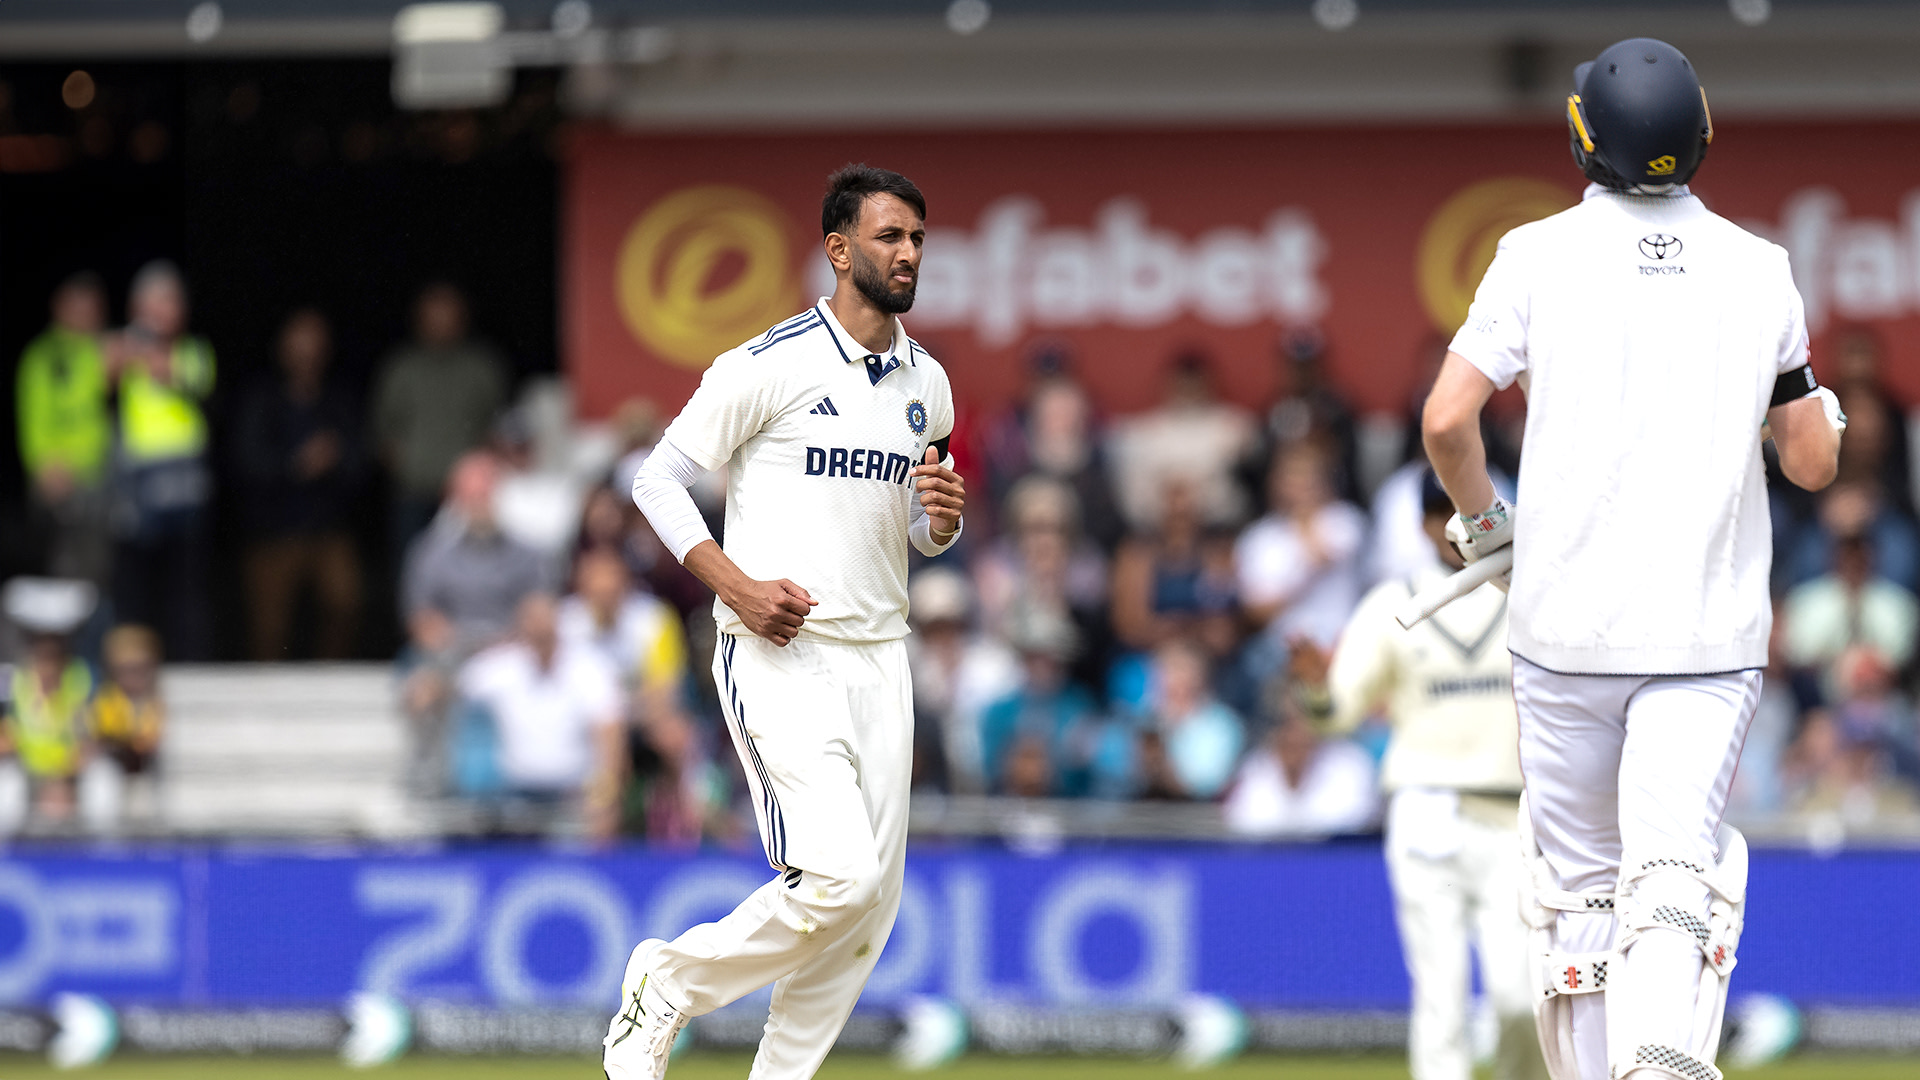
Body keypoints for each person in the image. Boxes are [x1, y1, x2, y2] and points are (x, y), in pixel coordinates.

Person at [1421, 39, 1843, 1080]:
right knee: (1673, 874)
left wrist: (1485, 524)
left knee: (1577, 895)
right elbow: (1812, 463)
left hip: (1562, 632)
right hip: (1706, 634)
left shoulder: (1533, 253)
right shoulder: (1760, 268)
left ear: (1582, 139)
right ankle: (1661, 1063)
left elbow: (1446, 424)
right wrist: (1818, 411)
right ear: (1701, 135)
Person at [614, 164, 966, 1080]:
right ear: (839, 249)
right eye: (891, 237)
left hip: (881, 657)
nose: (909, 254)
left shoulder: (928, 384)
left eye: (919, 239)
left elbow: (914, 538)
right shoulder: (765, 363)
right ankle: (668, 983)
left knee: (870, 907)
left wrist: (943, 519)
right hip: (781, 648)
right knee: (838, 878)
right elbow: (655, 481)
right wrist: (734, 585)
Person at [1291, 472, 1543, 1080]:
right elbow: (1340, 711)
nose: (1459, 525)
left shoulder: (1533, 591)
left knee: (1521, 996)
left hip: (1513, 814)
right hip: (1424, 806)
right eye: (1445, 512)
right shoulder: (1389, 603)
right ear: (1426, 524)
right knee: (1440, 995)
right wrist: (1318, 687)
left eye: (1474, 510)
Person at [232, 308, 365, 659]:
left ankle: (331, 677)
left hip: (328, 528)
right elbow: (247, 462)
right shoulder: (261, 399)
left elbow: (361, 460)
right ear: (283, 349)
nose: (307, 354)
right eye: (299, 345)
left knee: (345, 601)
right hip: (273, 531)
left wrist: (334, 459)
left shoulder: (339, 399)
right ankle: (268, 691)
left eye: (315, 345)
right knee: (269, 627)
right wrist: (297, 465)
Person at [107, 261, 217, 660]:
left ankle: (190, 664)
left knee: (185, 585)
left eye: (169, 302)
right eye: (153, 302)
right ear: (136, 306)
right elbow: (104, 375)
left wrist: (149, 352)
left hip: (185, 484)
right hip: (139, 485)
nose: (162, 311)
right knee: (134, 584)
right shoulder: (123, 345)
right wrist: (123, 350)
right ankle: (131, 669)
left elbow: (186, 378)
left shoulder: (195, 351)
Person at [456, 592, 626, 837]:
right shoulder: (502, 666)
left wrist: (605, 797)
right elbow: (455, 687)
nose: (539, 630)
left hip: (572, 795)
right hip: (514, 796)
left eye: (544, 622)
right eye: (531, 623)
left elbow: (610, 735)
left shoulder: (589, 668)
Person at [372, 282, 507, 563]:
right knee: (411, 566)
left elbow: (495, 429)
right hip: (413, 494)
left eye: (448, 316)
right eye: (433, 317)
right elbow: (383, 431)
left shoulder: (480, 367)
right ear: (419, 320)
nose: (440, 324)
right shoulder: (401, 368)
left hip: (467, 498)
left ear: (462, 319)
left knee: (472, 569)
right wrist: (406, 468)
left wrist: (476, 477)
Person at [16, 273, 113, 589]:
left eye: (91, 307)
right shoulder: (42, 355)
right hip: (60, 482)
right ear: (58, 307)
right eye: (77, 306)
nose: (85, 314)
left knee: (104, 573)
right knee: (65, 574)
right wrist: (43, 464)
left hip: (105, 481)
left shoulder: (107, 349)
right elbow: (33, 416)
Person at [83, 624, 167, 831]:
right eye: (125, 670)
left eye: (139, 669)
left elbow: (150, 741)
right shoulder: (106, 700)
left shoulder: (159, 699)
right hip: (116, 770)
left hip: (149, 772)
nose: (132, 678)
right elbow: (102, 739)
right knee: (100, 779)